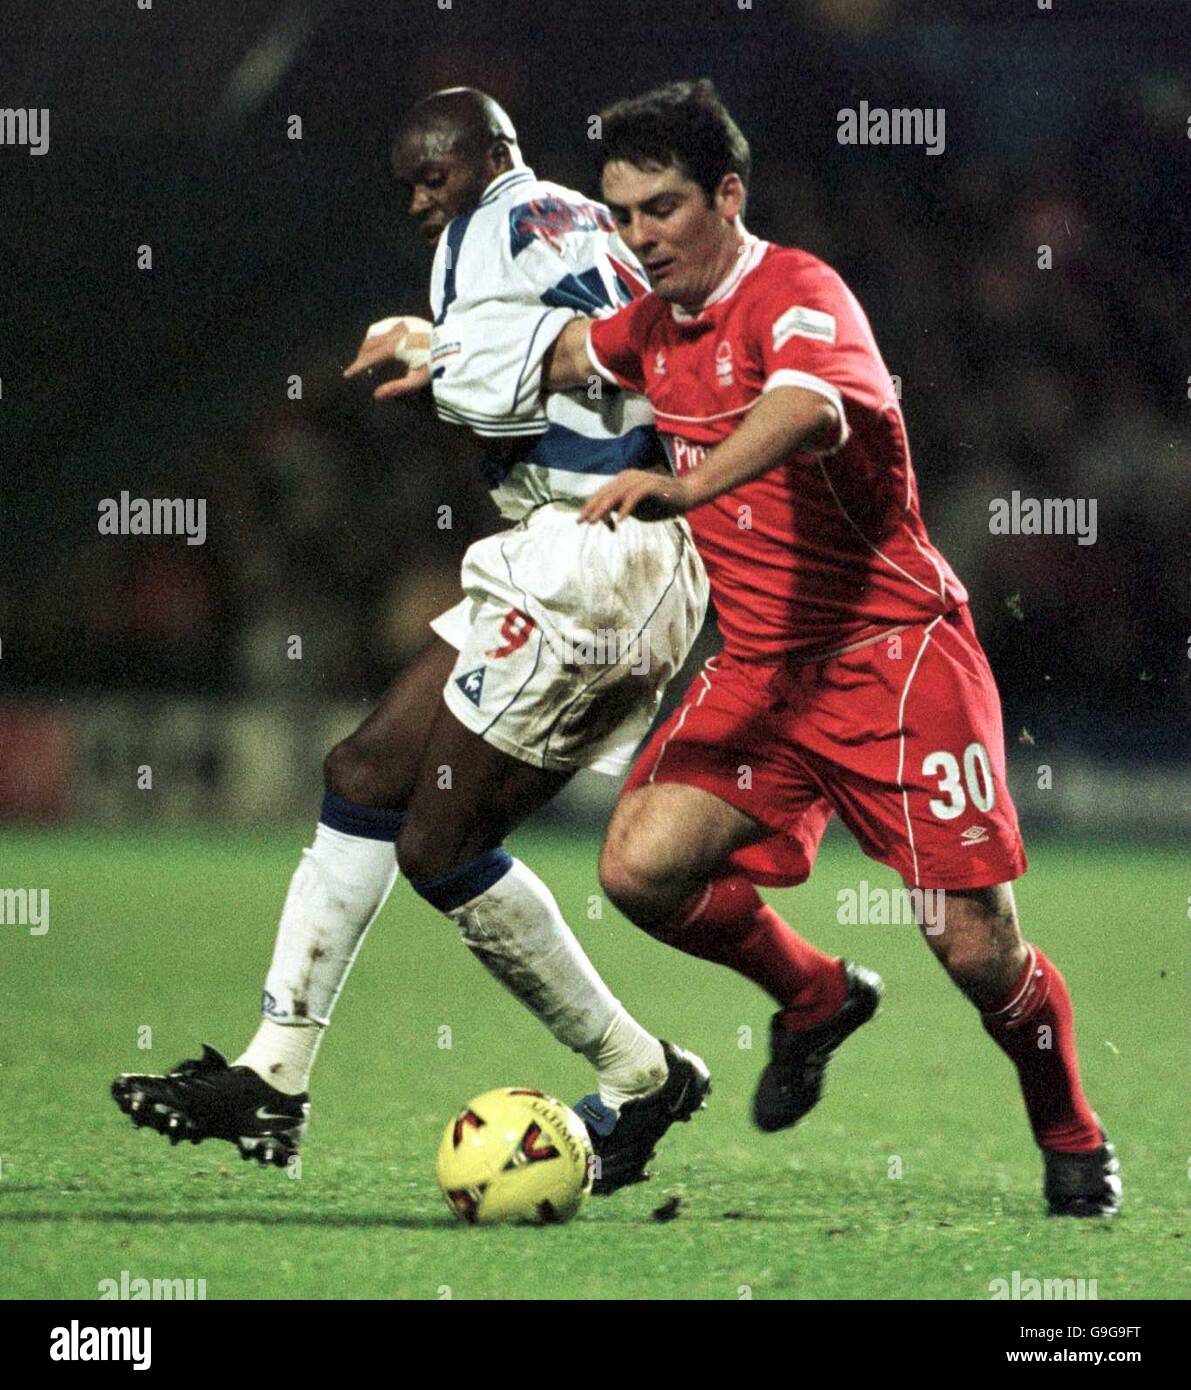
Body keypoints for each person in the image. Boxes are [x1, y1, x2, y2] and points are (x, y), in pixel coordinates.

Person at [389, 80, 1119, 1217]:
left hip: (894, 658)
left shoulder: (799, 294)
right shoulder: (657, 321)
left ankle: (1071, 1132)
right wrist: (438, 347)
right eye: (623, 214)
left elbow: (810, 412)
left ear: (728, 196)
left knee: (974, 947)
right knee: (638, 868)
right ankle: (816, 996)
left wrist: (682, 488)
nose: (640, 237)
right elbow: (573, 351)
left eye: (664, 209)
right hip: (765, 672)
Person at [111, 88, 712, 1196]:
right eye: (409, 185)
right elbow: (583, 346)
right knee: (366, 772)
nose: (422, 199)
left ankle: (643, 1074)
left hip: (589, 558)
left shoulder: (481, 235)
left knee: (438, 844)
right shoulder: (576, 216)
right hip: (609, 551)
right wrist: (447, 345)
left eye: (435, 173)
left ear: (492, 156)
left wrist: (440, 369)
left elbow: (500, 399)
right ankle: (274, 1078)